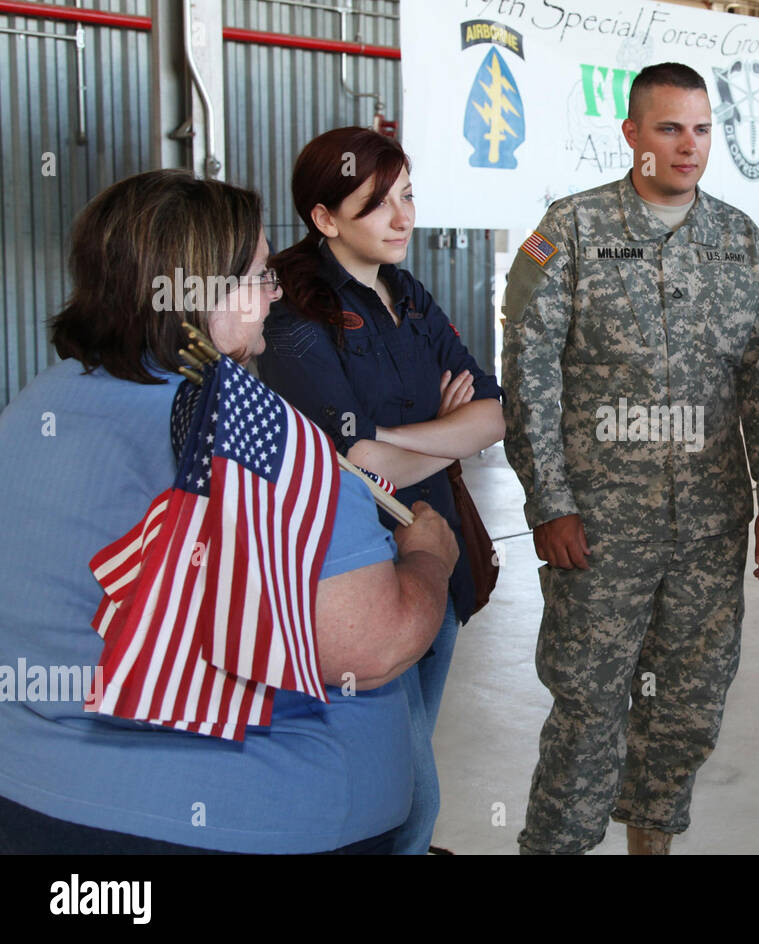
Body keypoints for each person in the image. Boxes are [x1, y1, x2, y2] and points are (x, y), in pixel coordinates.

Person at [0, 170, 458, 853]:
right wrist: (427, 559)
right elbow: (374, 647)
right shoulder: (263, 436)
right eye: (260, 277)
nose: (274, 295)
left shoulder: (33, 407)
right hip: (246, 823)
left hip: (34, 800)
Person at [501, 62, 759, 855]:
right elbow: (527, 377)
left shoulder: (739, 241)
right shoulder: (568, 232)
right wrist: (550, 503)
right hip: (599, 530)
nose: (688, 147)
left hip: (709, 527)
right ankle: (555, 847)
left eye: (702, 129)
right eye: (669, 128)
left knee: (690, 705)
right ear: (631, 134)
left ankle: (652, 845)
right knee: (589, 707)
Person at [257, 127, 504, 855]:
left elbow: (492, 410)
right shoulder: (294, 313)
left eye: (407, 197)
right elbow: (352, 461)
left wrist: (407, 435)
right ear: (324, 218)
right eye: (377, 205)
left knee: (412, 746)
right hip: (355, 572)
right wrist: (439, 425)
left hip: (438, 555)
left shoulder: (405, 292)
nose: (403, 219)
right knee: (404, 784)